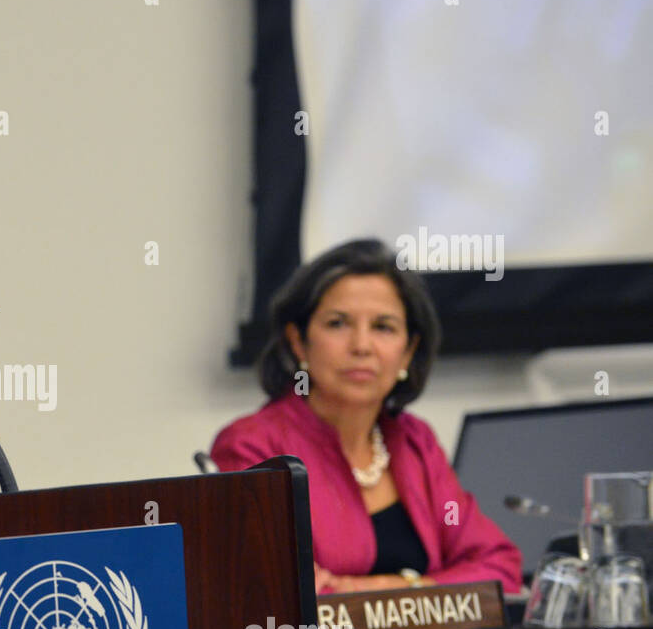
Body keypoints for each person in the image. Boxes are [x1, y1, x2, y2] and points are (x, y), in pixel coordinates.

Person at [210, 239, 522, 594]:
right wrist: (423, 595)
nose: (361, 346)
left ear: (408, 352)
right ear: (298, 342)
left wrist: (395, 587)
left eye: (383, 327)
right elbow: (273, 590)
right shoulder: (252, 447)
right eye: (338, 323)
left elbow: (498, 567)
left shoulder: (414, 440)